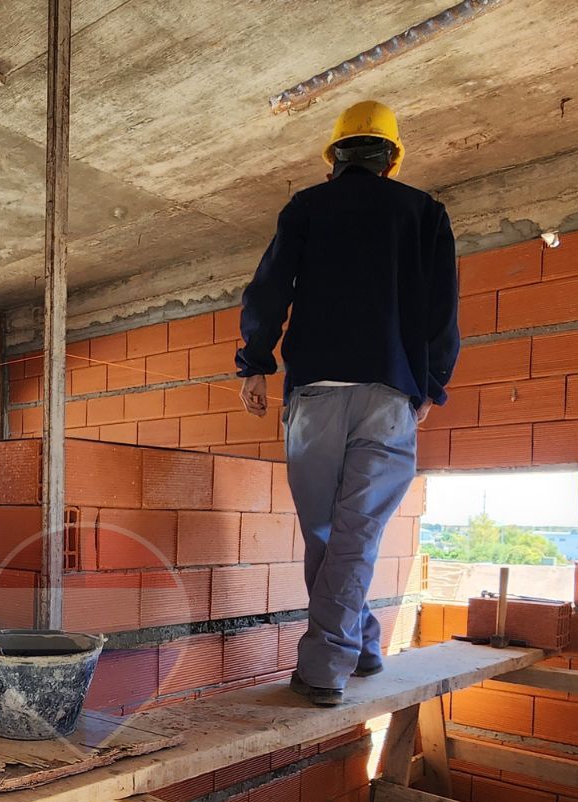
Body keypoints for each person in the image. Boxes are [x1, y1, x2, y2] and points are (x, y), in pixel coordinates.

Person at [237, 99, 460, 707]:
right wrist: (432, 383)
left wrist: (255, 362)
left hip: (315, 399)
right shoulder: (425, 212)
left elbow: (268, 289)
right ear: (391, 159)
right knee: (353, 536)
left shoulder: (307, 206)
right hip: (389, 398)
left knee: (325, 534)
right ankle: (354, 649)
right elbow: (442, 310)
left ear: (333, 158)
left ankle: (327, 667)